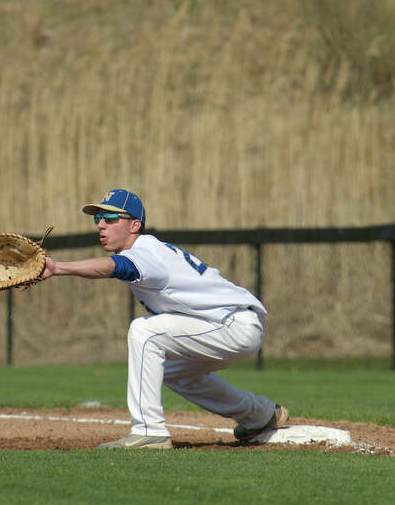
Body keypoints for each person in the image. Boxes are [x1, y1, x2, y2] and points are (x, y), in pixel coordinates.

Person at [41, 189, 287, 449]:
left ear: (135, 225)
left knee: (144, 332)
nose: (101, 225)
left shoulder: (146, 252)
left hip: (231, 325)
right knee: (172, 372)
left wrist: (58, 268)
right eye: (98, 219)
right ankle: (260, 414)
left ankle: (149, 431)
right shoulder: (148, 251)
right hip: (224, 325)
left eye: (111, 217)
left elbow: (115, 267)